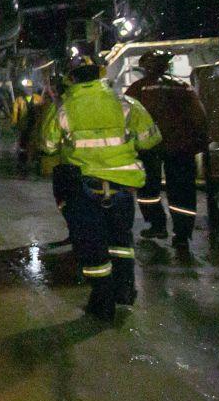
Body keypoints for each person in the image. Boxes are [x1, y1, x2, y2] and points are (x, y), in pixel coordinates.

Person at [41, 41, 162, 321]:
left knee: (93, 246)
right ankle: (125, 291)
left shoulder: (63, 108)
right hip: (122, 189)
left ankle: (102, 301)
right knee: (121, 241)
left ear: (70, 78)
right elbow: (151, 139)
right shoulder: (126, 104)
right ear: (100, 74)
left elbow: (47, 145)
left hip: (84, 188)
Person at [126, 49, 209, 250]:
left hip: (150, 147)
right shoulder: (184, 87)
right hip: (181, 148)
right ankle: (181, 235)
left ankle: (157, 225)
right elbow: (200, 117)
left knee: (148, 189)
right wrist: (199, 143)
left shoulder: (139, 88)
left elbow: (127, 119)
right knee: (183, 192)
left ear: (146, 67)